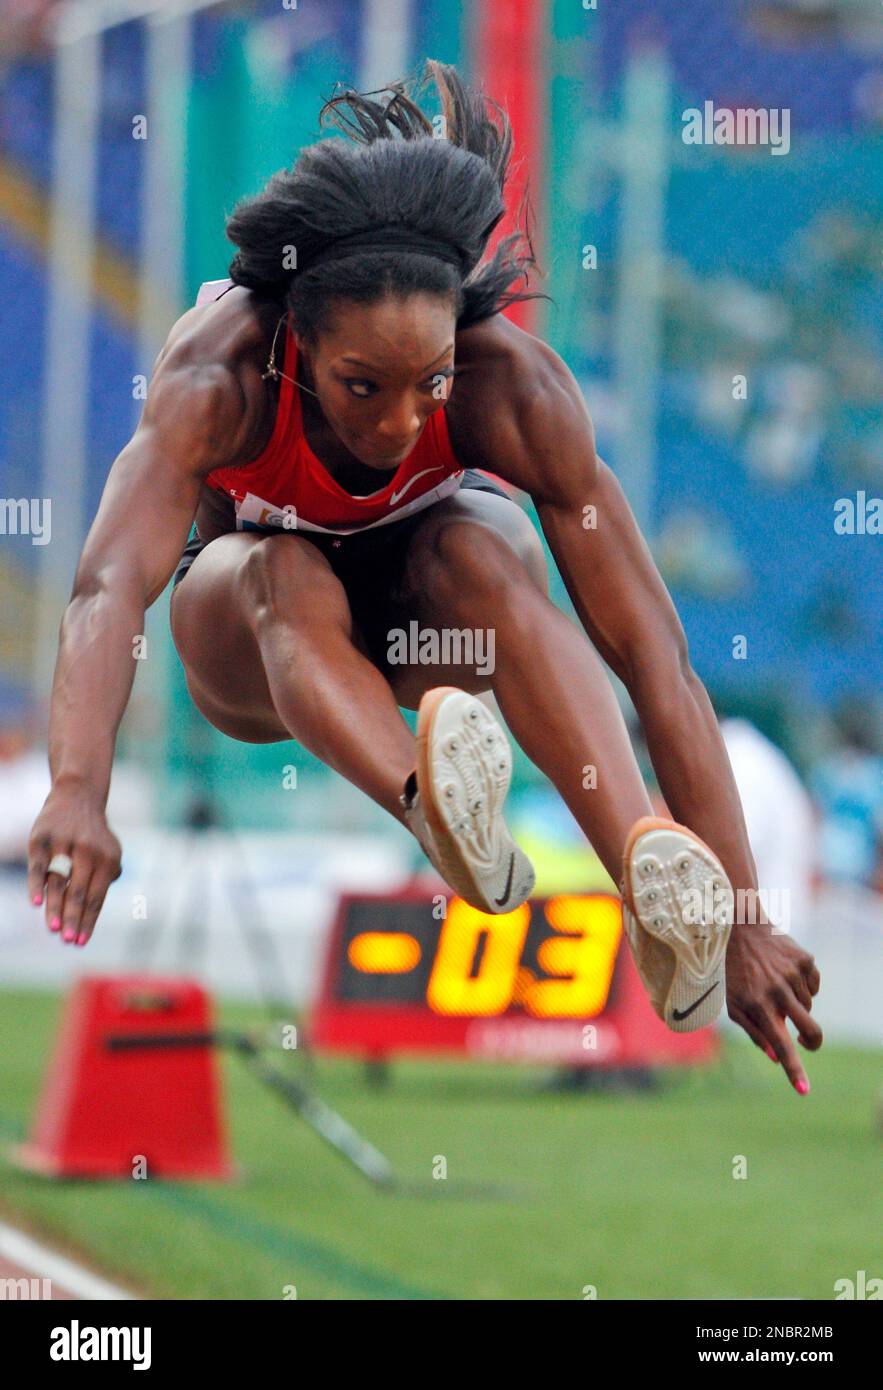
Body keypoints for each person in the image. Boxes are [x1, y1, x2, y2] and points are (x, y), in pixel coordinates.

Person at [27, 63, 821, 1092]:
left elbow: (651, 653)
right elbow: (105, 590)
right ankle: (434, 807)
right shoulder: (216, 378)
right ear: (300, 341)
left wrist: (746, 917)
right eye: (363, 385)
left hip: (425, 619)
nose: (401, 420)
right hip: (257, 647)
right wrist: (79, 788)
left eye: (429, 383)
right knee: (284, 567)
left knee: (479, 553)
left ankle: (647, 875)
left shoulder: (512, 388)